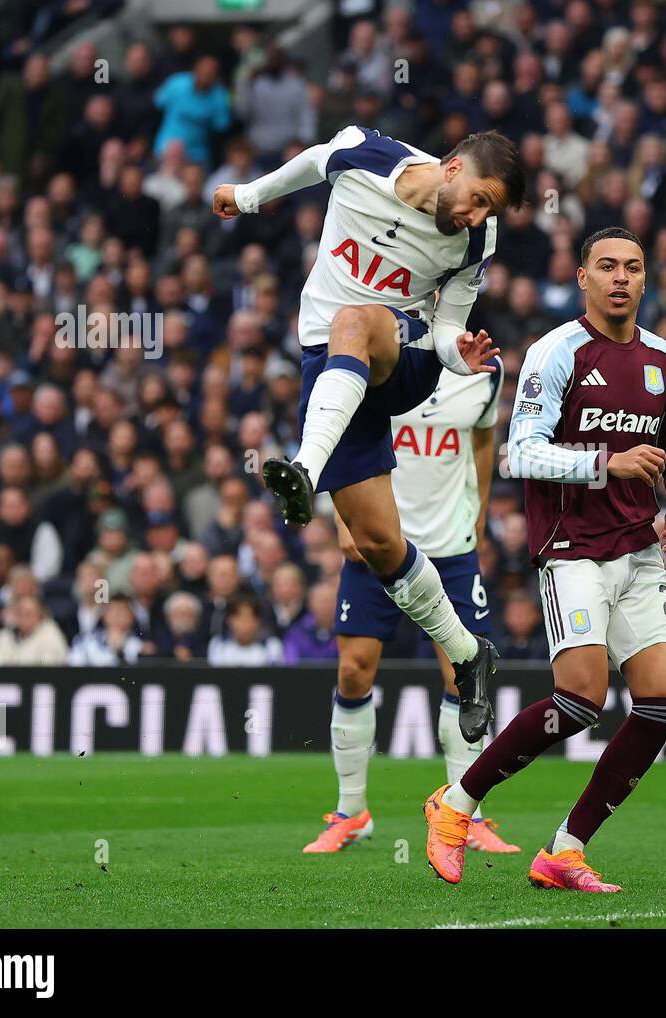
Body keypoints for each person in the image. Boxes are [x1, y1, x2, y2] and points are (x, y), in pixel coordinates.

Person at [213, 127, 526, 738]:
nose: (478, 214)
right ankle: (469, 655)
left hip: (403, 359)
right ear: (452, 165)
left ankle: (303, 468)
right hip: (331, 364)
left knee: (356, 318)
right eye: (479, 197)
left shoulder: (475, 239)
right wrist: (247, 196)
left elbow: (447, 328)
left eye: (489, 208)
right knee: (382, 546)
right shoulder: (368, 154)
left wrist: (459, 354)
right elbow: (312, 162)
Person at [423, 227, 666, 892]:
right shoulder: (558, 352)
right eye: (606, 266)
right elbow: (521, 451)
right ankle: (455, 803)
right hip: (573, 549)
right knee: (580, 700)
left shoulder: (665, 360)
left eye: (633, 267)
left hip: (639, 550)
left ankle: (565, 849)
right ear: (582, 276)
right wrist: (608, 463)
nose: (621, 278)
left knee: (662, 703)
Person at [302, 344, 520, 855]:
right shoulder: (378, 357)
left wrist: (481, 514)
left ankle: (470, 816)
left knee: (463, 675)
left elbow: (483, 442)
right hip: (379, 543)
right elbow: (339, 435)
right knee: (354, 670)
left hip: (451, 548)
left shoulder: (485, 369)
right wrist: (342, 517)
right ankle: (351, 812)